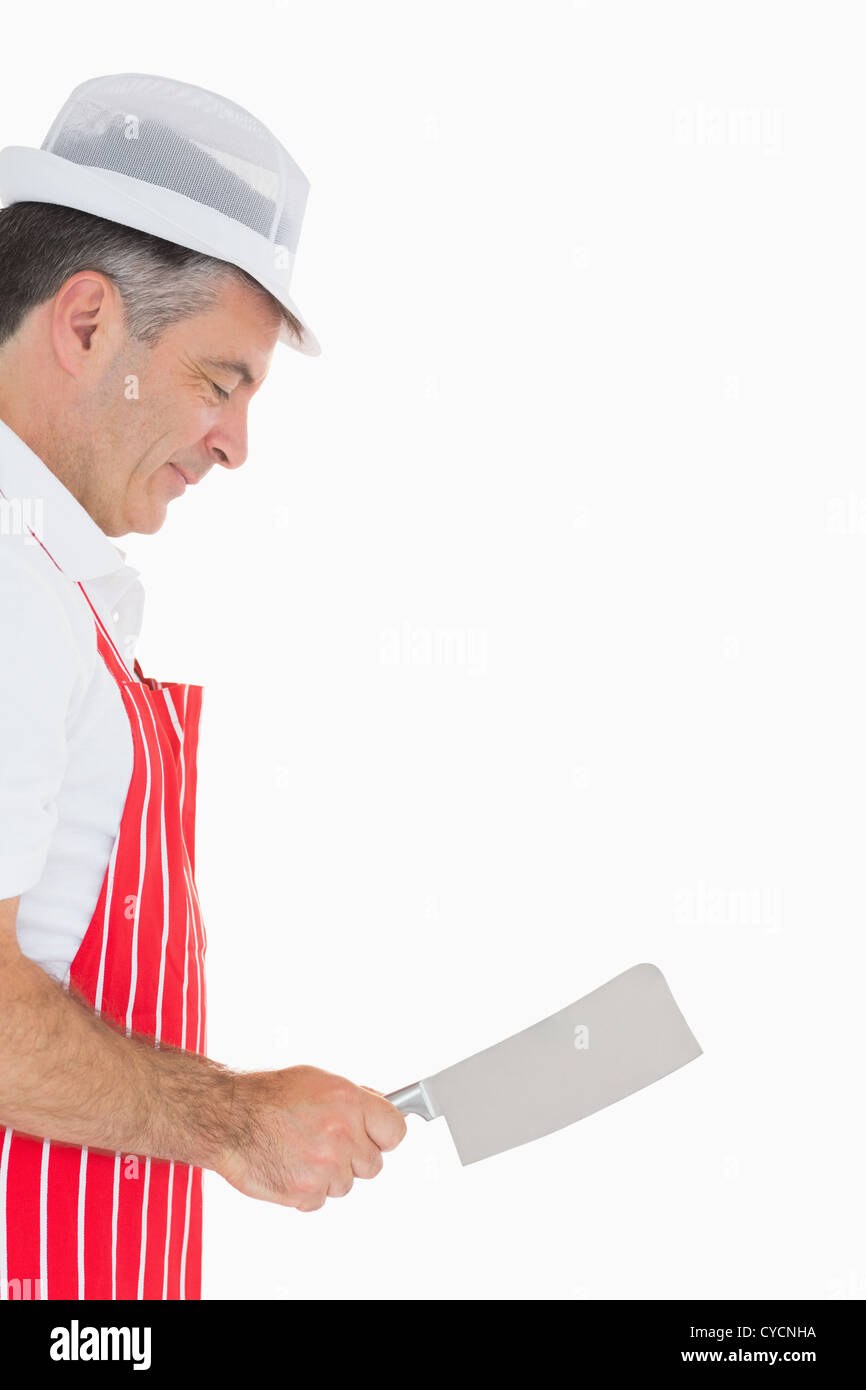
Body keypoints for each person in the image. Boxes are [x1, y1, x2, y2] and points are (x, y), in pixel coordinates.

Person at [0, 73, 406, 1302]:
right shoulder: (12, 593)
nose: (233, 444)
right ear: (85, 325)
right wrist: (231, 1120)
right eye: (218, 382)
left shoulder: (53, 587)